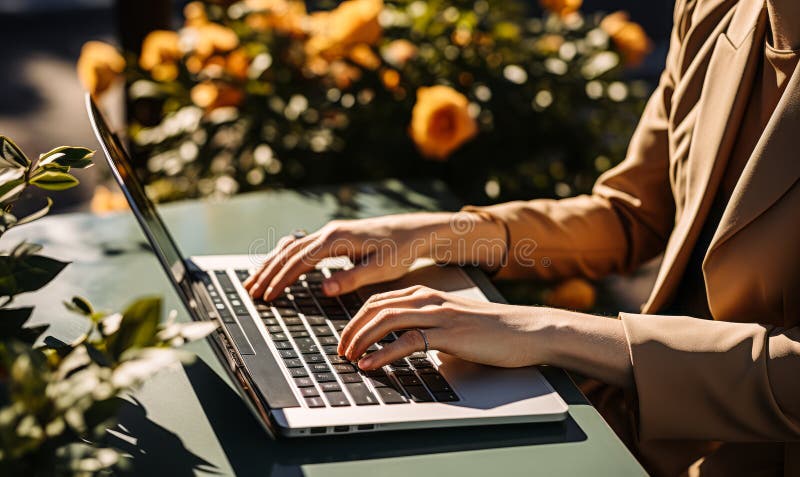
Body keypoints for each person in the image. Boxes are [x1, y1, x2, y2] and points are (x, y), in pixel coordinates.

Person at [244, 0, 800, 474]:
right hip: (627, 422)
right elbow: (633, 214)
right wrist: (446, 233)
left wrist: (550, 330)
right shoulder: (719, 7)